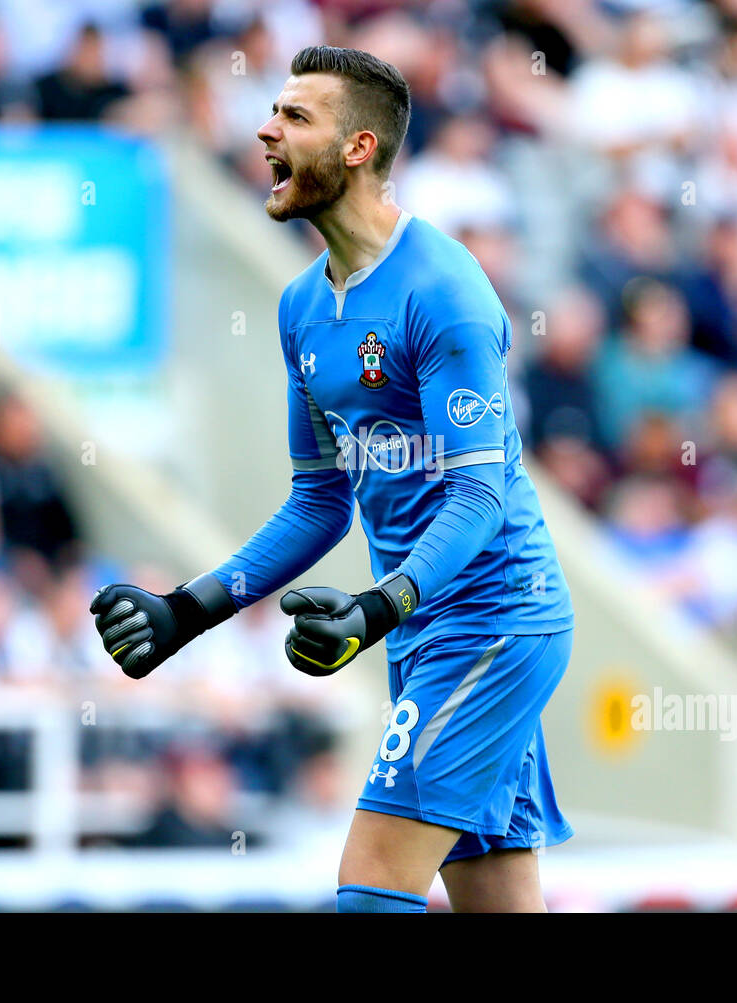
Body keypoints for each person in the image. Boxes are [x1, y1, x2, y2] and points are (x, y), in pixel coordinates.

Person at [89, 45, 574, 913]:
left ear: (356, 148)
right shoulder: (302, 307)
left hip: (495, 621)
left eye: (295, 117)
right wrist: (187, 611)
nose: (266, 129)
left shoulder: (445, 290)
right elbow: (319, 502)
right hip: (427, 628)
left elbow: (479, 495)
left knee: (370, 885)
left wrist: (378, 606)